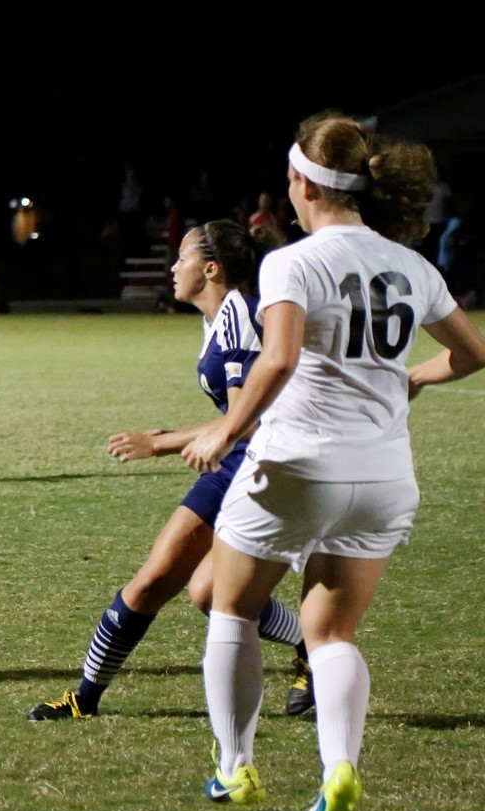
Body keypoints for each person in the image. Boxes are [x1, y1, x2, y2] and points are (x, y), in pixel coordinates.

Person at [180, 113, 485, 811]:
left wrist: (226, 427)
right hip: (383, 475)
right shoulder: (411, 262)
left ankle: (235, 765)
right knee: (331, 629)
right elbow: (472, 353)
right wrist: (412, 375)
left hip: (300, 464)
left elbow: (278, 359)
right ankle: (337, 768)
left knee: (230, 606)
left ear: (305, 183)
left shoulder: (292, 261)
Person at [30, 222, 309, 722]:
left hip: (263, 466)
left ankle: (311, 642)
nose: (173, 268)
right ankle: (84, 699)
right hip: (234, 462)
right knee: (155, 582)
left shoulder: (240, 316)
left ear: (210, 268)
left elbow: (245, 423)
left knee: (206, 594)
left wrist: (160, 443)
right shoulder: (220, 317)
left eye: (181, 258)